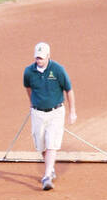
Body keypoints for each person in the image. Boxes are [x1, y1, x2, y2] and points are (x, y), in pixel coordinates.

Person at [23, 41, 77, 190]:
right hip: (38, 113)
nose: (39, 60)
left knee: (51, 142)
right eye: (37, 58)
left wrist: (72, 112)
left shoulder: (58, 70)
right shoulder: (28, 72)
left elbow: (69, 90)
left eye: (41, 57)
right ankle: (51, 168)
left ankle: (47, 176)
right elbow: (28, 88)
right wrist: (32, 103)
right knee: (41, 144)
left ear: (48, 56)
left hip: (56, 112)